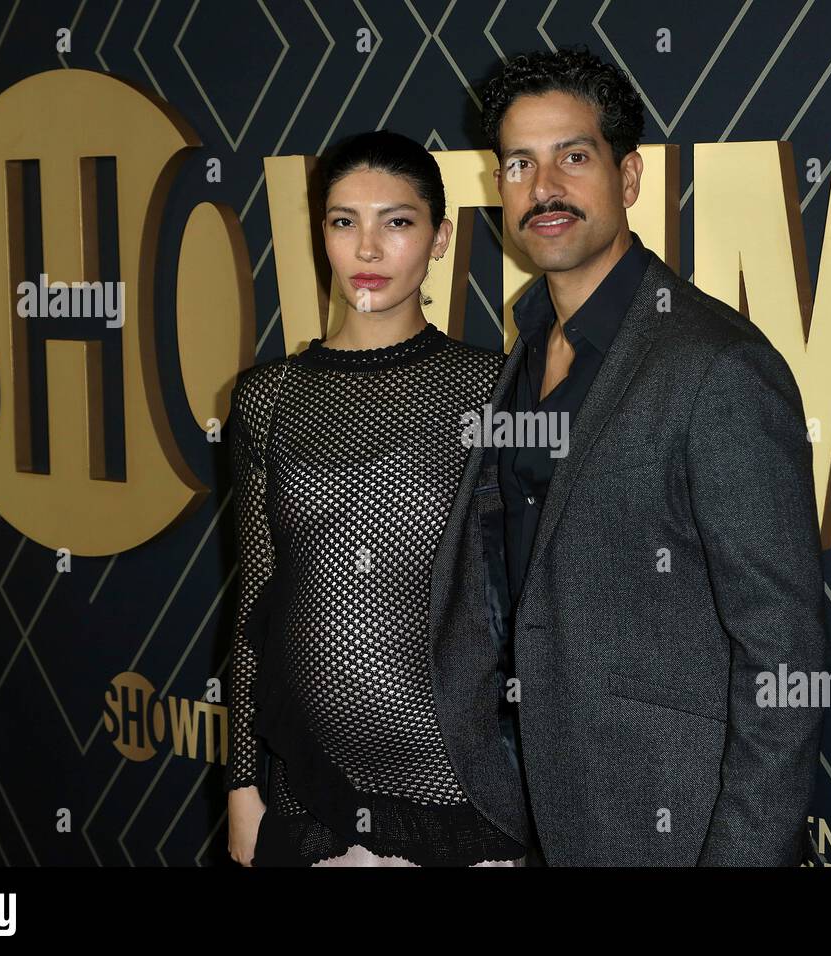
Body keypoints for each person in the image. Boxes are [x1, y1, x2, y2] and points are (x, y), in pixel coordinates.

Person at [428, 47, 829, 865]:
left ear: (630, 176)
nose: (544, 188)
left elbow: (783, 657)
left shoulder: (717, 366)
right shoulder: (526, 344)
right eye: (519, 163)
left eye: (573, 157)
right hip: (530, 813)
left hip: (667, 828)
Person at [224, 130, 525, 867]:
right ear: (319, 235)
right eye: (343, 221)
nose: (367, 250)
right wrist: (241, 786)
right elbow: (255, 606)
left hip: (460, 793)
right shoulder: (270, 397)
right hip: (312, 788)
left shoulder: (493, 391)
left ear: (440, 237)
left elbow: (526, 605)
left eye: (397, 221)